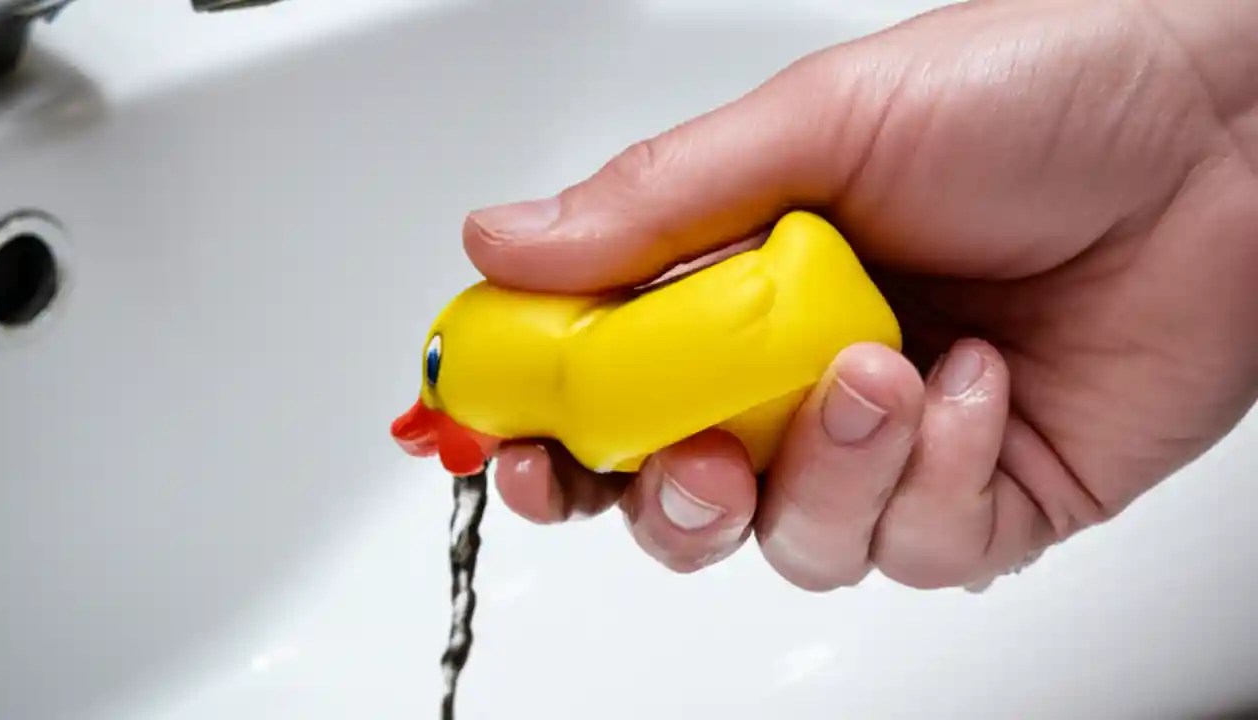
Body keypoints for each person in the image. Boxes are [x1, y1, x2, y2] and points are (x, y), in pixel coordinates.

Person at [461, 0, 1258, 592]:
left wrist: (1210, 105)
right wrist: (1214, 126)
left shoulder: (598, 415)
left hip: (798, 294)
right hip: (818, 298)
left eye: (441, 367)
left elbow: (740, 319)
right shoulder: (595, 429)